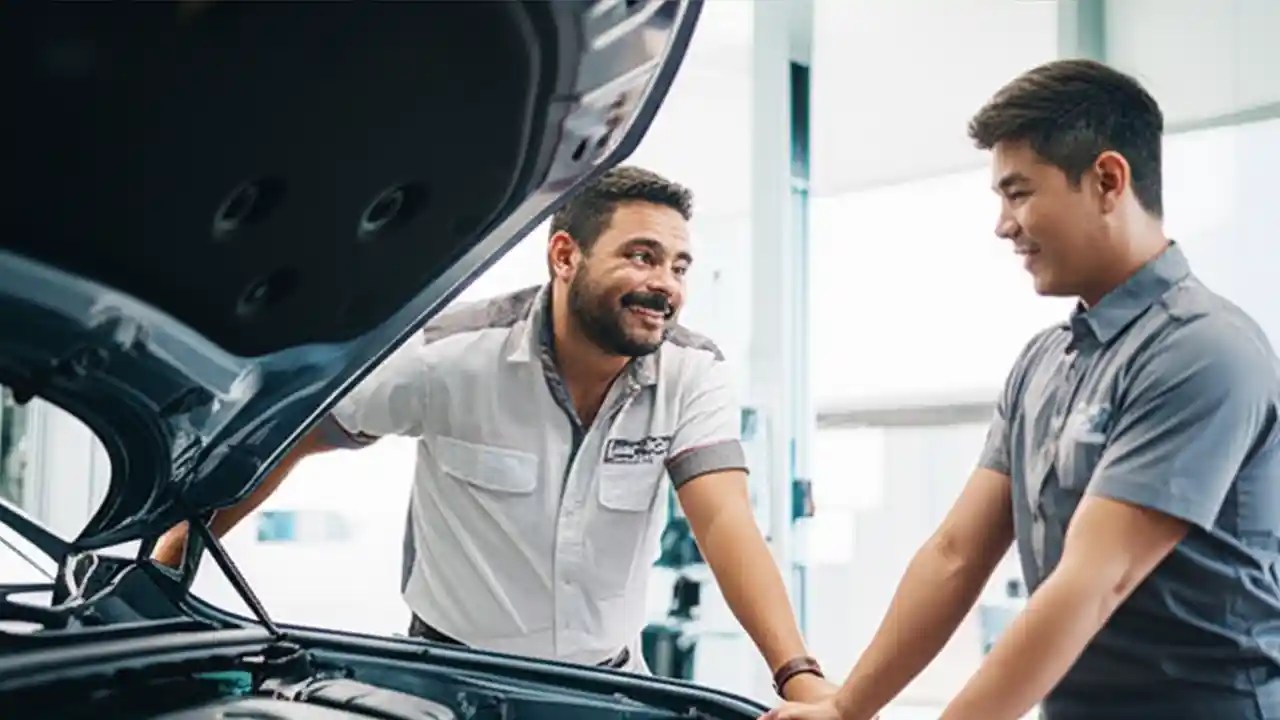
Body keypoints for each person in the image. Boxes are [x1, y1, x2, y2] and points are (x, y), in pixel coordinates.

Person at [154, 165, 837, 702]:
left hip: (608, 686)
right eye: (641, 256)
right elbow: (289, 439)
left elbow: (726, 525)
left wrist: (798, 675)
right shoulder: (449, 355)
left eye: (678, 266)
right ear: (565, 255)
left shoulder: (692, 373)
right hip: (452, 681)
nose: (665, 285)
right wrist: (166, 565)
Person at [763, 59, 1280, 720]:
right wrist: (846, 709)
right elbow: (955, 557)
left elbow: (1095, 581)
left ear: (1106, 181)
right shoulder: (1046, 362)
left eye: (1019, 192)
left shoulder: (1203, 350)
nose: (1003, 225)